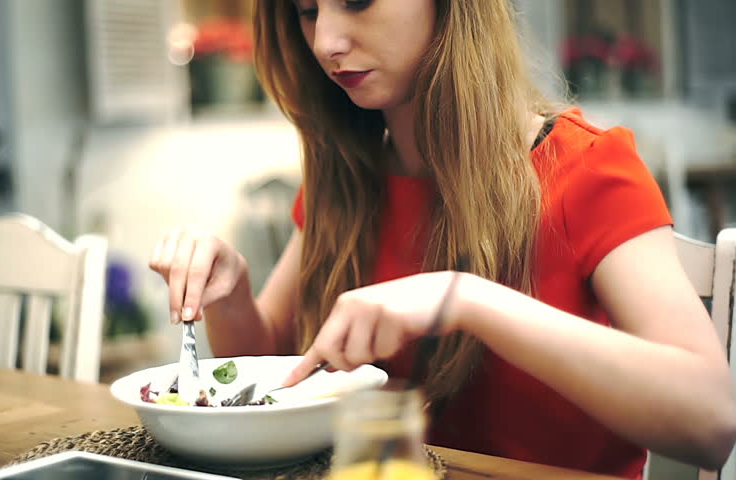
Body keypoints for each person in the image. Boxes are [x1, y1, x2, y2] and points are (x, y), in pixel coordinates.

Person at [148, 1, 736, 478]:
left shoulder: (586, 170)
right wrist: (230, 294)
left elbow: (712, 422)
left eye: (357, 1)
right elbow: (272, 366)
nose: (327, 39)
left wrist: (468, 300)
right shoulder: (351, 175)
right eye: (307, 11)